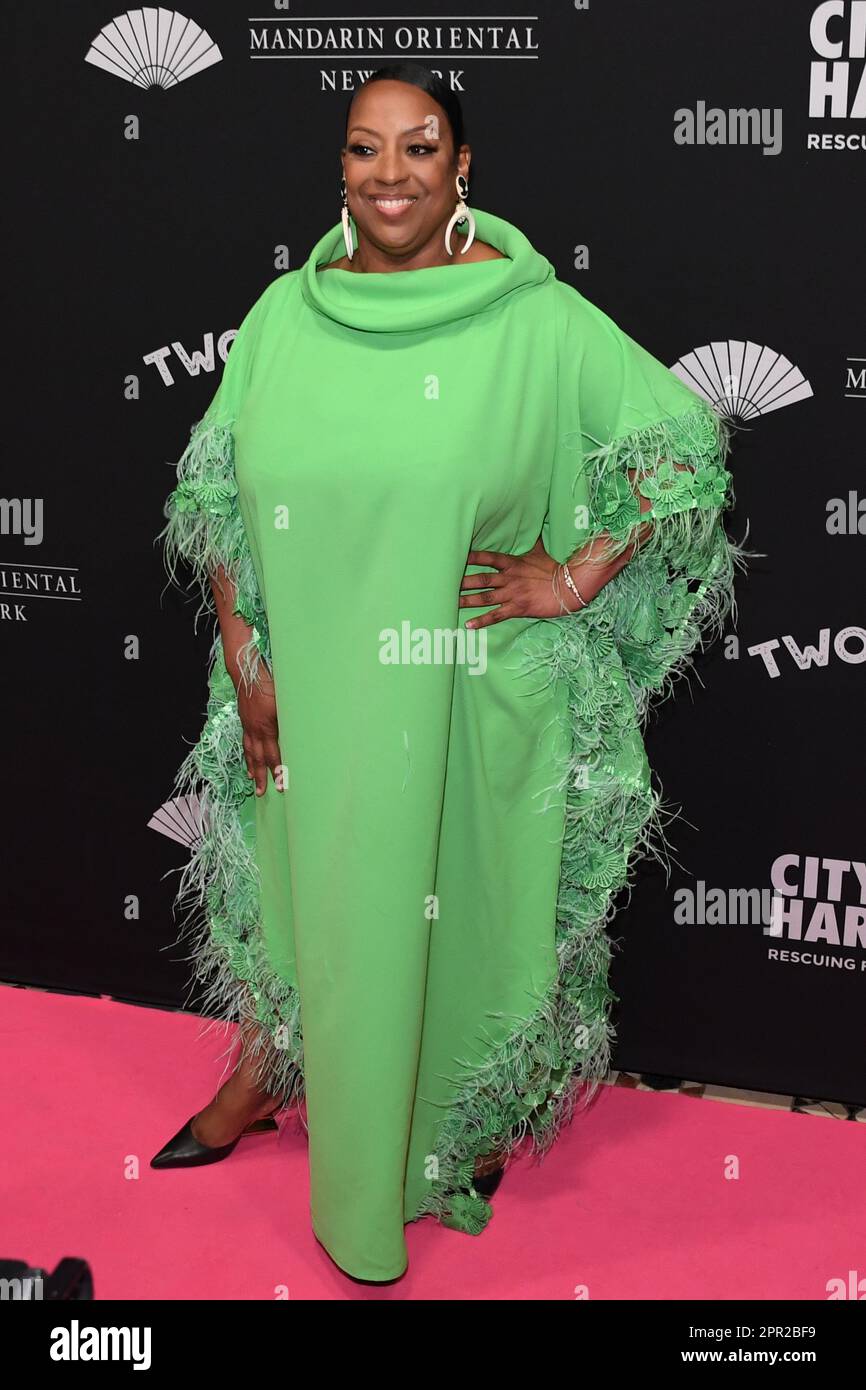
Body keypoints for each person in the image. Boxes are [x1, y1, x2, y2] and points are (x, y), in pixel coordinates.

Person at [151, 62, 747, 1284]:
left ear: (460, 166)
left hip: (471, 692)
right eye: (364, 150)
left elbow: (680, 443)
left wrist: (573, 576)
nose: (389, 175)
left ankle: (449, 1129)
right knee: (318, 897)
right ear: (338, 166)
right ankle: (273, 1074)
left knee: (456, 916)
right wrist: (245, 654)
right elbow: (217, 491)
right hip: (312, 698)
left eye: (418, 149)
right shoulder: (283, 316)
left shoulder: (530, 317)